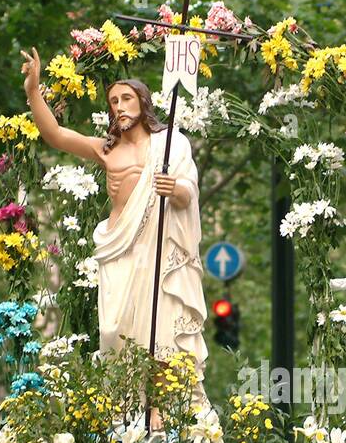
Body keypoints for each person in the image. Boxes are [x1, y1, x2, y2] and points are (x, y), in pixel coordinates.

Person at [21, 52, 208, 395]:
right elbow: (57, 135)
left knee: (160, 331)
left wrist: (176, 188)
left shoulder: (170, 145)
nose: (119, 106)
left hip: (156, 250)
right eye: (113, 102)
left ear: (143, 102)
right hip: (118, 248)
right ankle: (127, 408)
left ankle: (160, 411)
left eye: (126, 99)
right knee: (114, 333)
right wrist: (34, 91)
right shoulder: (107, 149)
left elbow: (189, 190)